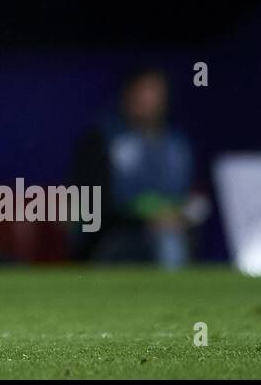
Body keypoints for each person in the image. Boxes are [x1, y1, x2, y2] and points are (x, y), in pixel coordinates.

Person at [70, 68, 208, 267]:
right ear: (128, 94)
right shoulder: (102, 140)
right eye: (143, 91)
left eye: (155, 93)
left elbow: (189, 198)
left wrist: (182, 215)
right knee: (165, 241)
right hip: (116, 236)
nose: (148, 100)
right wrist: (144, 221)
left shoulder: (176, 144)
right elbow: (91, 206)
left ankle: (175, 292)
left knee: (170, 237)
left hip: (170, 231)